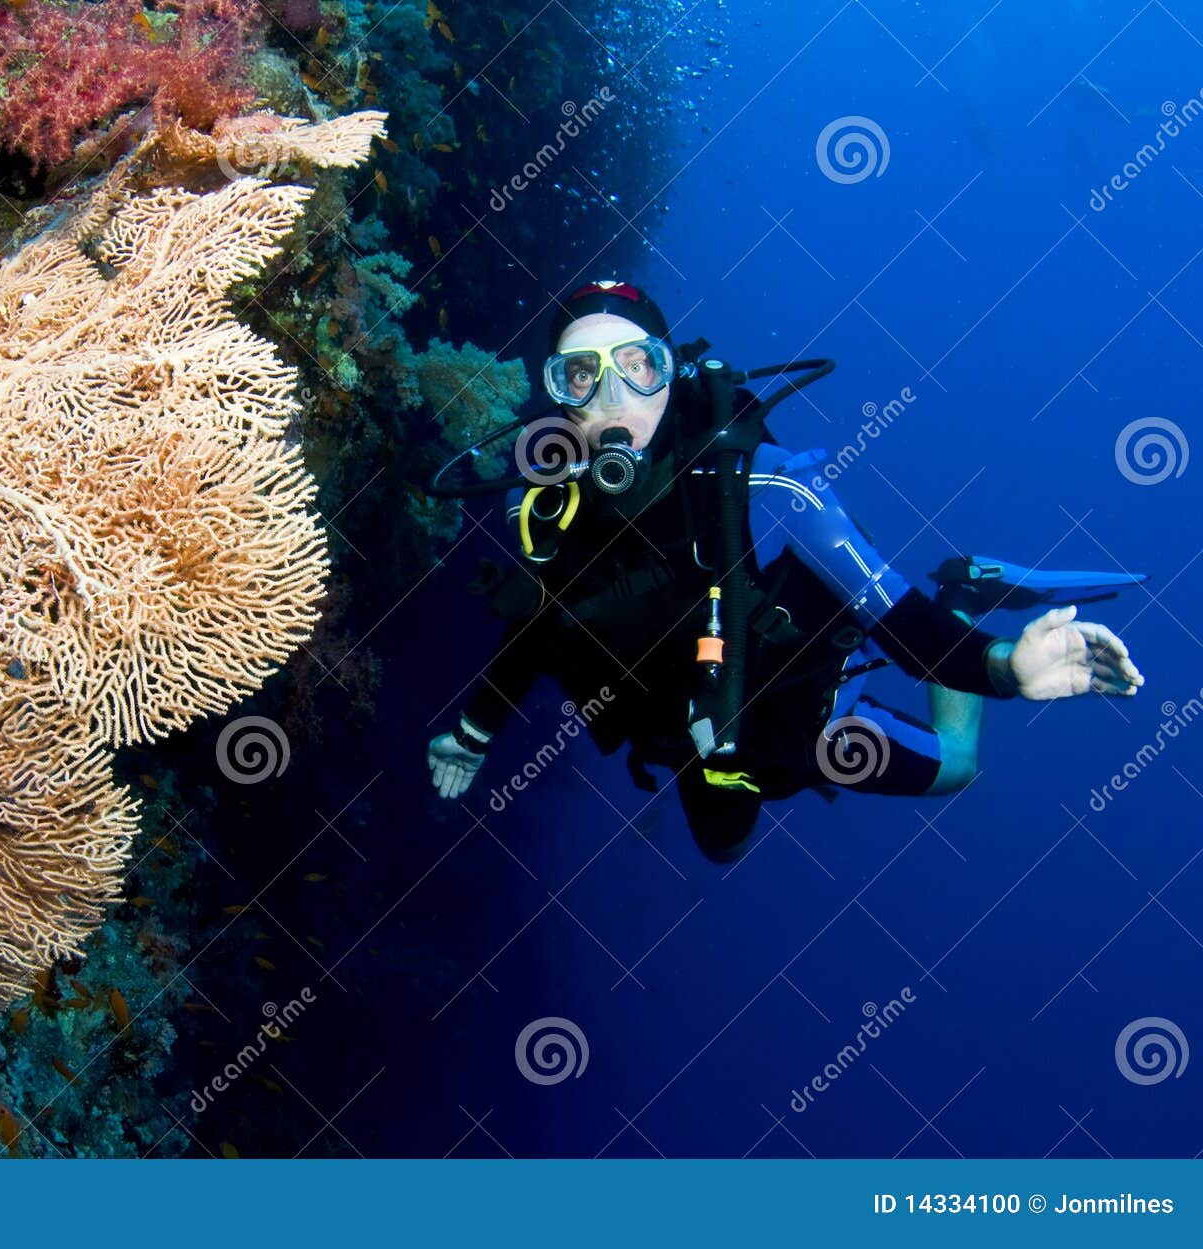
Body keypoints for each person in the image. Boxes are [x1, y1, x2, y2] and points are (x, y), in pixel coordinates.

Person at [425, 280, 1146, 862]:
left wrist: (1002, 668)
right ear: (558, 393)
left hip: (813, 725)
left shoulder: (769, 489)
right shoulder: (547, 508)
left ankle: (963, 592)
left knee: (957, 767)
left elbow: (898, 622)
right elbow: (542, 619)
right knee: (722, 848)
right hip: (692, 743)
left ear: (669, 373)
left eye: (636, 365)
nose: (612, 398)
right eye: (582, 374)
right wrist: (475, 729)